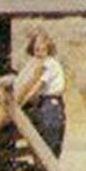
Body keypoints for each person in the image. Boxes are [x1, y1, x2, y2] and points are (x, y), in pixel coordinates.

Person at [24, 30, 67, 163]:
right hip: (42, 101)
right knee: (39, 132)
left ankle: (47, 169)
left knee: (50, 132)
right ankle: (39, 165)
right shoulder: (36, 64)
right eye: (36, 50)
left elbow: (39, 85)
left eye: (43, 50)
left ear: (48, 50)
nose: (39, 53)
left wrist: (25, 99)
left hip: (51, 101)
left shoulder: (50, 64)